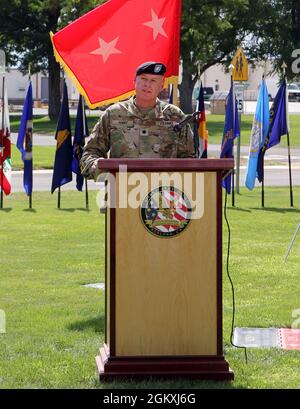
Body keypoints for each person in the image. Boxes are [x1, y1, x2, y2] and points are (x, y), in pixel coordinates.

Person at [80, 61, 195, 179]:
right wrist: (99, 166)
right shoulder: (113, 114)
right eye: (144, 79)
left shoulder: (175, 116)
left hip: (162, 192)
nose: (147, 85)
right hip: (121, 191)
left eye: (153, 80)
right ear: (134, 81)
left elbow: (189, 160)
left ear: (161, 85)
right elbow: (90, 153)